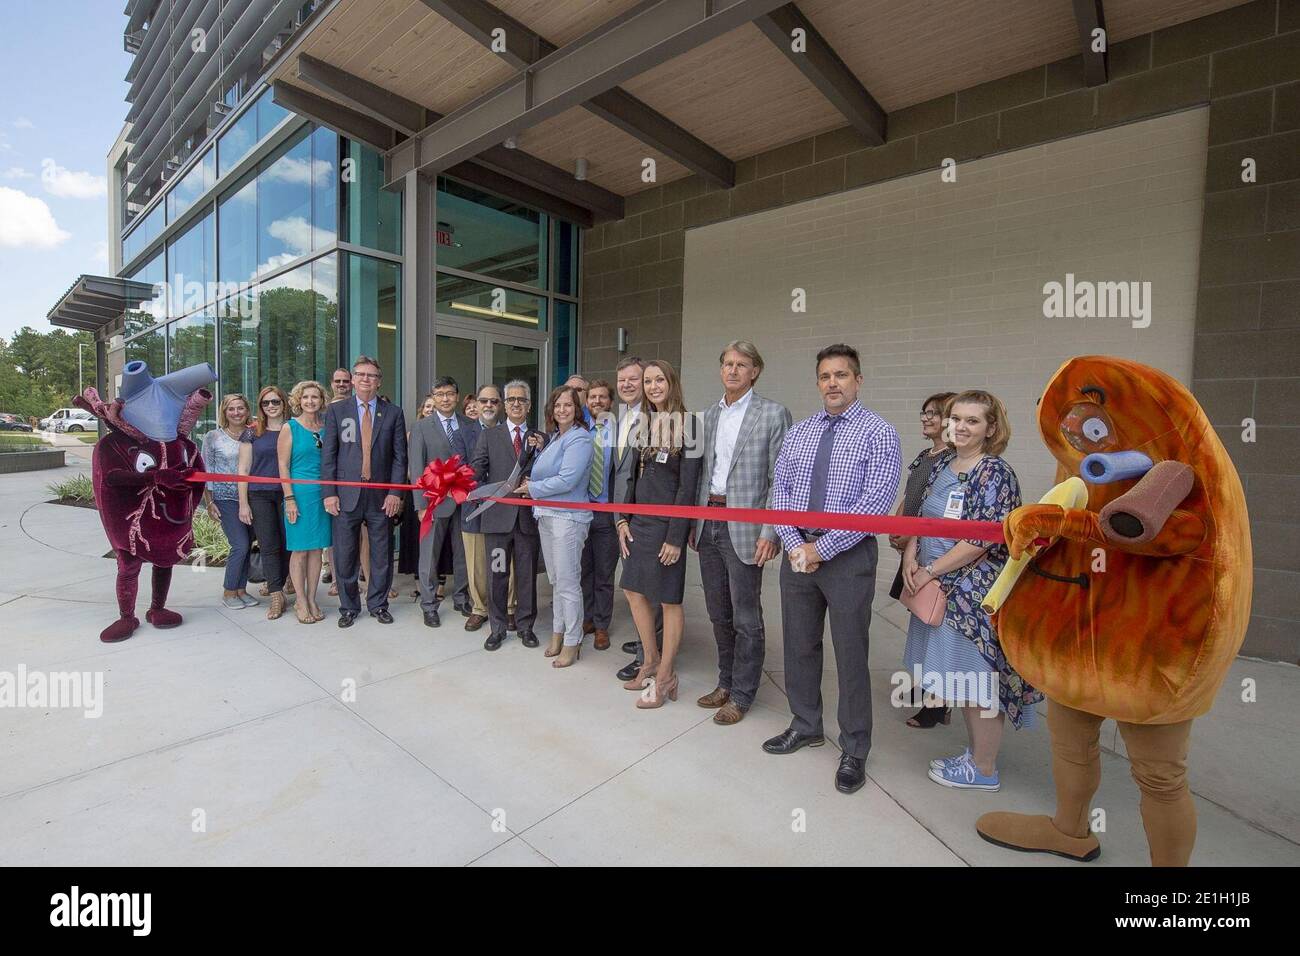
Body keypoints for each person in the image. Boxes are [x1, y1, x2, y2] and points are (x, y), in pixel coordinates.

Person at [764, 343, 901, 796]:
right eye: (825, 376)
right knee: (799, 646)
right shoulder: (800, 432)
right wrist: (794, 544)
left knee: (849, 653)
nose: (833, 383)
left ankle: (855, 747)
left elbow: (875, 506)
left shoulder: (879, 433)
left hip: (847, 558)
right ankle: (805, 725)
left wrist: (820, 548)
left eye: (841, 375)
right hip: (797, 552)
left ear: (858, 380)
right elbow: (780, 490)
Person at [902, 390, 1029, 792]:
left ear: (991, 428)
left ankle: (984, 769)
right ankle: (975, 756)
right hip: (936, 584)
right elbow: (922, 518)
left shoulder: (993, 472)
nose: (959, 426)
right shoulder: (945, 464)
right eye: (955, 418)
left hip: (971, 597)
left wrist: (929, 571)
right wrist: (910, 555)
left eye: (972, 421)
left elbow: (981, 539)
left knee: (978, 683)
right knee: (960, 680)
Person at [691, 341, 792, 725]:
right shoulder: (708, 416)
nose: (733, 370)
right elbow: (702, 474)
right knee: (718, 612)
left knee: (746, 616)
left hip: (747, 526)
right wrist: (694, 523)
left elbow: (779, 479)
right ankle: (725, 681)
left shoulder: (772, 414)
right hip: (709, 522)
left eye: (741, 364)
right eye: (727, 364)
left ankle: (743, 694)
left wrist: (772, 530)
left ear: (755, 372)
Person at [617, 359, 702, 709]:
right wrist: (622, 517)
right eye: (648, 381)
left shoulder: (690, 425)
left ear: (672, 383)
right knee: (632, 589)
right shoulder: (643, 423)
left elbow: (688, 487)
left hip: (668, 526)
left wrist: (676, 536)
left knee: (668, 598)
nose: (652, 386)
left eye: (658, 380)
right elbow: (633, 479)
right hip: (641, 523)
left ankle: (666, 675)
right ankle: (649, 660)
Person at [320, 355, 408, 628]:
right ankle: (348, 607)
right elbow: (329, 455)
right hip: (346, 494)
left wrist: (395, 492)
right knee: (345, 553)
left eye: (371, 375)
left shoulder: (393, 412)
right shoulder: (337, 411)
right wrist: (329, 492)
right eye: (361, 374)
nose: (365, 379)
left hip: (381, 496)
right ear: (353, 379)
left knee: (381, 554)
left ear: (379, 381)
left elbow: (399, 457)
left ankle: (378, 604)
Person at [889, 390, 957, 728]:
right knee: (919, 621)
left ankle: (937, 705)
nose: (926, 418)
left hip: (935, 553)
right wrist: (897, 524)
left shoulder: (953, 460)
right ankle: (922, 684)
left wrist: (913, 537)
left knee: (935, 625)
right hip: (913, 548)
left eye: (935, 413)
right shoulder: (924, 456)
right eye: (924, 411)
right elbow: (910, 494)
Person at [520, 385, 594, 667]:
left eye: (568, 405)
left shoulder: (579, 439)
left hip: (568, 519)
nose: (562, 409)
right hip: (546, 516)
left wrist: (532, 488)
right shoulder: (553, 438)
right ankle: (558, 632)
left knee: (568, 582)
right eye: (557, 405)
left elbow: (568, 480)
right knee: (555, 580)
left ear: (577, 409)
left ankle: (573, 641)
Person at [469, 379, 544, 651]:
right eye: (510, 399)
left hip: (526, 522)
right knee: (497, 575)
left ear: (529, 404)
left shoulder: (540, 438)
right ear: (504, 403)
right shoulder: (489, 435)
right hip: (497, 522)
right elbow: (477, 470)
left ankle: (526, 627)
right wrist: (459, 482)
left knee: (526, 577)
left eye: (521, 400)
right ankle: (497, 628)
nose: (515, 404)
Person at [609, 356, 663, 683]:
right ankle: (647, 641)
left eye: (634, 379)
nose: (628, 385)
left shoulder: (655, 419)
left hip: (643, 519)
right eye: (623, 381)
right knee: (633, 586)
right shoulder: (622, 418)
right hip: (623, 516)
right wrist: (618, 518)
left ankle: (649, 657)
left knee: (646, 589)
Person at [408, 377, 476, 628]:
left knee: (463, 551)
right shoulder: (421, 427)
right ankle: (428, 604)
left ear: (457, 396)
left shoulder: (470, 424)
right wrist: (419, 504)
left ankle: (461, 597)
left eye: (449, 393)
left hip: (464, 498)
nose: (445, 398)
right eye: (440, 394)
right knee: (429, 555)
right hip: (433, 500)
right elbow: (415, 467)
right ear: (433, 398)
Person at [461, 384, 515, 632]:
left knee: (504, 561)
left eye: (494, 401)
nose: (489, 406)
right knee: (477, 562)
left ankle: (508, 607)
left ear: (501, 405)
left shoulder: (511, 432)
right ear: (477, 404)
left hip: (505, 508)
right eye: (484, 401)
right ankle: (479, 608)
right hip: (473, 505)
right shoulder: (464, 431)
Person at [279, 380, 333, 624]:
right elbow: (283, 465)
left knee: (317, 549)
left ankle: (312, 597)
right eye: (306, 397)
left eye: (315, 397)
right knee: (300, 549)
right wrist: (289, 498)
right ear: (298, 400)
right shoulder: (290, 428)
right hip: (298, 495)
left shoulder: (326, 428)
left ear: (322, 401)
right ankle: (300, 600)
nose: (310, 401)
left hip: (322, 495)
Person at [239, 385, 290, 620]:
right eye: (265, 403)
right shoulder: (252, 432)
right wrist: (243, 503)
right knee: (269, 545)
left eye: (275, 402)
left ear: (283, 403)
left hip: (288, 494)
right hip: (260, 495)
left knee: (288, 543)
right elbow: (244, 469)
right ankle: (276, 594)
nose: (270, 406)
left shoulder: (293, 428)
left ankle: (282, 581)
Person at [201, 394, 256, 609]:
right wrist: (209, 502)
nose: (236, 413)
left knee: (247, 544)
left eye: (240, 408)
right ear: (224, 412)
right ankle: (229, 591)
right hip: (225, 499)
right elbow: (206, 471)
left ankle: (241, 590)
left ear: (247, 410)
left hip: (250, 498)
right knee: (239, 545)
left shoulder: (253, 434)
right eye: (231, 409)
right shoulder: (213, 437)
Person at [580, 379, 616, 650]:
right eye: (592, 397)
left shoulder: (621, 432)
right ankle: (587, 618)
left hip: (608, 512)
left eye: (602, 397)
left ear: (610, 402)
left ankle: (602, 625)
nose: (597, 401)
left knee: (604, 572)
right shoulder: (578, 431)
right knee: (583, 569)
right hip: (580, 510)